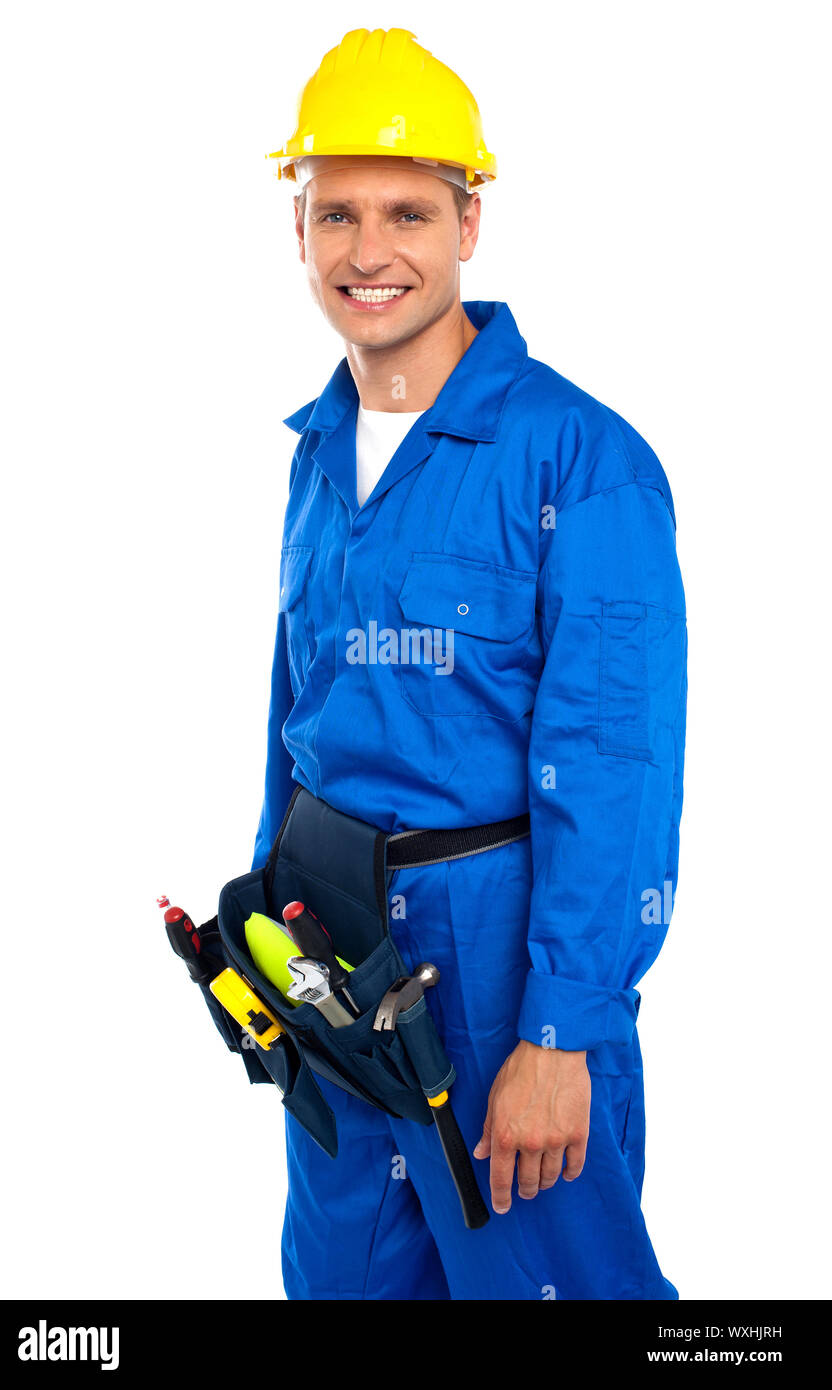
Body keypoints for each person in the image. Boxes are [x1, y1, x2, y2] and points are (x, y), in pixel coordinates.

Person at [252, 26, 687, 1300]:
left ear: (469, 223)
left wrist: (563, 1025)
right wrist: (263, 932)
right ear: (300, 231)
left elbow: (616, 763)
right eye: (337, 213)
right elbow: (298, 713)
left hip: (500, 953)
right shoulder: (319, 453)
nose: (368, 251)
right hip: (331, 950)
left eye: (407, 211)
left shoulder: (579, 460)